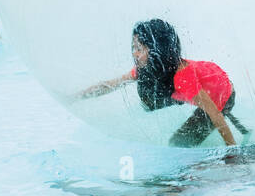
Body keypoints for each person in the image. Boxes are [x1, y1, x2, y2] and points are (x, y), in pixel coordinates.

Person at [78, 20, 246, 147]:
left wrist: (233, 153)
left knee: (178, 143)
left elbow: (214, 113)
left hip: (222, 97)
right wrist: (77, 97)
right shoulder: (150, 68)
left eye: (140, 48)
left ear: (158, 50)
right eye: (133, 48)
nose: (135, 54)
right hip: (210, 82)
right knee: (151, 96)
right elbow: (110, 85)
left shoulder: (183, 77)